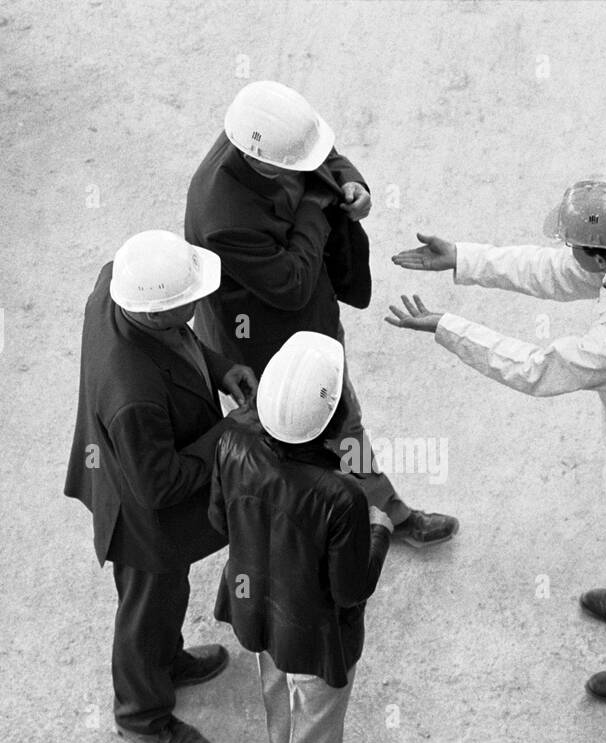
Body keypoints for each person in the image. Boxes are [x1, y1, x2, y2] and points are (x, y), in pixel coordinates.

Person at [387, 174, 606, 700]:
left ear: (601, 257)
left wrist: (446, 327)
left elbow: (537, 370)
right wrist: (465, 258)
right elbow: (558, 271)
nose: (569, 253)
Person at [187, 79, 458, 549]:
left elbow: (321, 154)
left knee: (343, 421)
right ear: (254, 158)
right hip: (262, 353)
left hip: (312, 327)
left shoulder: (265, 133)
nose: (306, 171)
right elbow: (290, 285)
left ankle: (384, 513)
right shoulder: (222, 216)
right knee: (282, 446)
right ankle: (307, 540)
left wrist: (352, 183)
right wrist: (317, 205)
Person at [64, 230, 257, 743]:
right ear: (153, 315)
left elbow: (182, 344)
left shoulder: (117, 284)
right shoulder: (132, 392)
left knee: (166, 591)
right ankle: (140, 715)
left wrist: (219, 368)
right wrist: (232, 430)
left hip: (132, 481)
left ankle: (166, 661)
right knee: (145, 607)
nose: (201, 306)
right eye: (188, 303)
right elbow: (162, 483)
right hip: (141, 516)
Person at [209, 331, 389, 743]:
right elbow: (348, 589)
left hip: (255, 607)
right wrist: (379, 532)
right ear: (333, 421)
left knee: (276, 696)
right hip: (315, 631)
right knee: (316, 722)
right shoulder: (342, 497)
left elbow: (220, 521)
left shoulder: (232, 443)